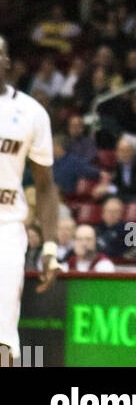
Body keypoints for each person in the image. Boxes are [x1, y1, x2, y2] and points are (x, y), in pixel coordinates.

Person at [0, 36, 59, 363]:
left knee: (3, 336)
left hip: (6, 227)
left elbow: (46, 186)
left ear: (8, 62)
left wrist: (50, 246)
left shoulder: (31, 112)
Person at [109, 135, 136, 201]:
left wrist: (110, 189)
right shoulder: (119, 166)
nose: (121, 154)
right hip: (124, 198)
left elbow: (134, 189)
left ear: (133, 152)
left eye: (125, 151)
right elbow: (116, 183)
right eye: (119, 150)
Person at [96, 196, 129, 260]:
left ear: (121, 213)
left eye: (115, 211)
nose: (112, 214)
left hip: (121, 265)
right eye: (109, 211)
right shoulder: (97, 230)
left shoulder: (129, 230)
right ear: (103, 213)